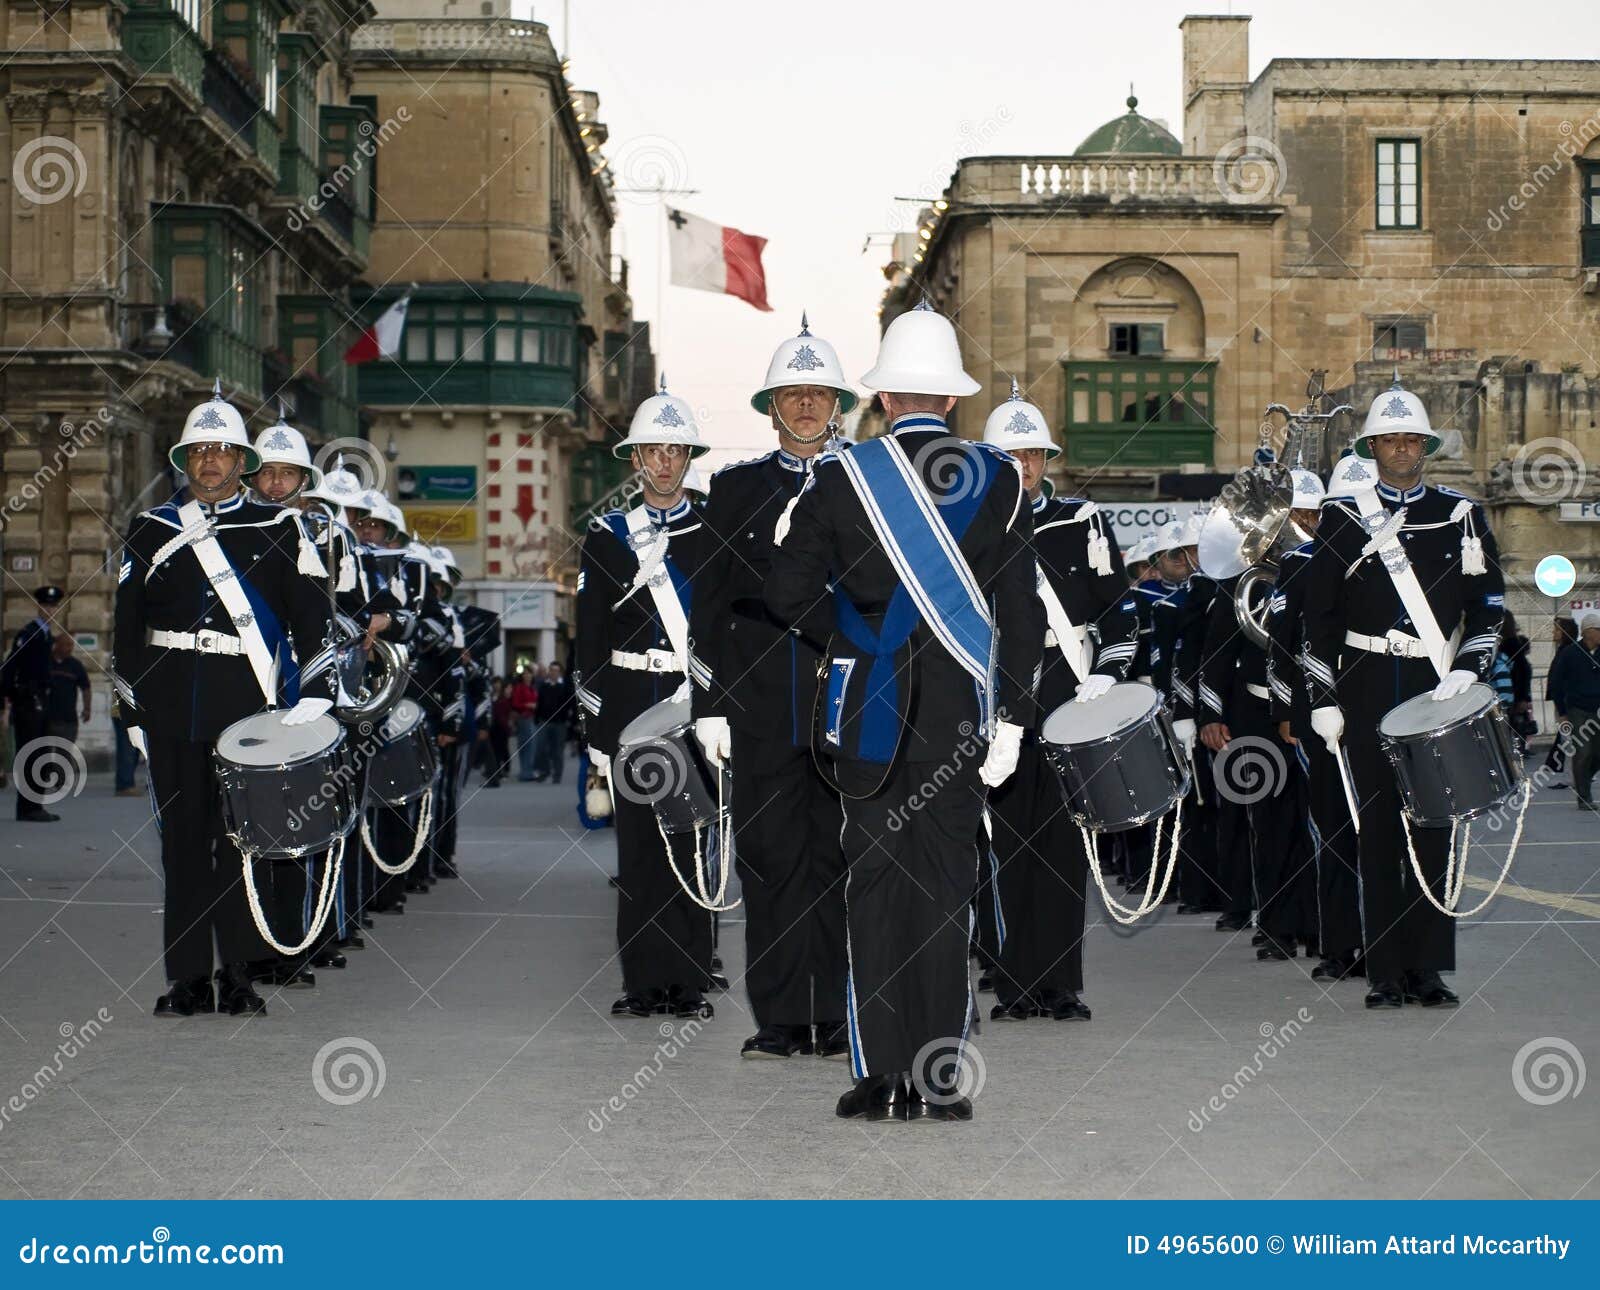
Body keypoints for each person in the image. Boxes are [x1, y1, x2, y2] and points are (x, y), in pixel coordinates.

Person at [766, 302, 1043, 1123]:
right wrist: (1017, 719)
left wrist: (855, 639)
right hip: (961, 719)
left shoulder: (841, 479)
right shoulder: (997, 480)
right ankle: (939, 1079)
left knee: (873, 893)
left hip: (868, 720)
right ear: (952, 401)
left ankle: (879, 1077)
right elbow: (1019, 613)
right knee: (945, 896)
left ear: (883, 398)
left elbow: (783, 594)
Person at [113, 383, 336, 1018]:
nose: (210, 462)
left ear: (244, 461)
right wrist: (132, 711)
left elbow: (312, 621)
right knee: (181, 845)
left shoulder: (279, 527)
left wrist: (315, 699)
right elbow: (127, 629)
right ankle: (188, 979)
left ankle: (238, 974)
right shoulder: (152, 529)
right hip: (171, 709)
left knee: (241, 842)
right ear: (184, 460)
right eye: (199, 451)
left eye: (223, 451)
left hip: (248, 709)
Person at [1303, 378, 1504, 1009]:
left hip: (1435, 683)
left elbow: (1490, 604)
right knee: (1378, 830)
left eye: (1410, 439)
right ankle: (1384, 970)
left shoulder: (1460, 514)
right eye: (1388, 439)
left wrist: (1471, 668)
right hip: (1366, 683)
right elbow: (1318, 618)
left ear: (1426, 446)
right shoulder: (1341, 516)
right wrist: (1322, 696)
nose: (1400, 449)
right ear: (1372, 446)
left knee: (1434, 824)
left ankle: (1428, 968)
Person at [690, 314, 854, 1061]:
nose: (807, 406)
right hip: (759, 696)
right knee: (770, 858)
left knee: (839, 860)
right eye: (793, 393)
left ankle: (836, 1012)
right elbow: (710, 603)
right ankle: (784, 1017)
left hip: (845, 695)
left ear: (838, 404)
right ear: (772, 406)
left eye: (819, 393)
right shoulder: (734, 491)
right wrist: (709, 705)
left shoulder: (865, 482)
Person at [980, 380, 1136, 1023]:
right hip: (1003, 698)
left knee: (1065, 843)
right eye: (1011, 457)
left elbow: (1120, 610)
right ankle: (1014, 982)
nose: (1024, 467)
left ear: (1048, 461)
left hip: (1071, 692)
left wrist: (1108, 671)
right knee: (1006, 843)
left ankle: (1061, 983)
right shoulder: (971, 527)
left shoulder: (1082, 521)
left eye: (1034, 456)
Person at [576, 378, 717, 1021]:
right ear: (634, 459)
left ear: (689, 458)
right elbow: (590, 637)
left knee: (694, 838)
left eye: (676, 450)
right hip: (630, 698)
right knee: (637, 851)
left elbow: (727, 626)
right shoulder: (607, 534)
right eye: (652, 450)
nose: (664, 462)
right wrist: (597, 733)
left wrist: (724, 711)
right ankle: (643, 981)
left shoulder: (714, 527)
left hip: (694, 700)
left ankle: (687, 981)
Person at [1199, 469, 1324, 963]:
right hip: (1255, 716)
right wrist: (1209, 715)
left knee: (1321, 823)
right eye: (1298, 515)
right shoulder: (1243, 582)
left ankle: (1322, 927)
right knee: (1270, 825)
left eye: (1315, 514)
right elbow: (1210, 655)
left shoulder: (1331, 568)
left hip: (1318, 712)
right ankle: (1275, 925)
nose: (1307, 523)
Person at [1270, 459, 1363, 983]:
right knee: (1331, 830)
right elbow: (1285, 642)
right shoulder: (1304, 560)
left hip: (1375, 703)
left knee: (1383, 828)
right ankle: (1339, 944)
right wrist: (1287, 710)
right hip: (1317, 707)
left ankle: (1382, 940)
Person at [1, 585, 65, 822]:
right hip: (28, 703)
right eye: (46, 606)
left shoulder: (45, 634)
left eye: (53, 606)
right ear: (38, 607)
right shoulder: (28, 634)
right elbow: (9, 668)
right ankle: (28, 808)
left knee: (41, 753)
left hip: (41, 702)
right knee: (30, 755)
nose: (50, 610)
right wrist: (5, 701)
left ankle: (35, 805)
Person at [1548, 611, 1600, 809]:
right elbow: (1556, 683)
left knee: (1597, 755)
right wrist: (1562, 712)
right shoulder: (1571, 653)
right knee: (1584, 753)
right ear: (1588, 632)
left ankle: (1583, 780)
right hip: (1578, 709)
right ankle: (1584, 798)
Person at [1545, 616, 1579, 776]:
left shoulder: (1568, 651)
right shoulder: (1563, 650)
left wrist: (1563, 706)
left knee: (1569, 740)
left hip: (1566, 703)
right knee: (1567, 739)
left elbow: (1562, 680)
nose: (1554, 632)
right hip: (1562, 702)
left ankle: (1575, 777)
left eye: (1557, 629)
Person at [46, 630, 91, 746]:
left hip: (68, 720)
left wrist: (87, 709)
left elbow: (86, 687)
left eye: (71, 645)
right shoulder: (46, 663)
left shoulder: (75, 665)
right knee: (44, 755)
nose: (70, 648)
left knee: (64, 756)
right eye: (67, 645)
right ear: (57, 644)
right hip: (47, 719)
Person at [532, 662, 573, 784]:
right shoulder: (544, 686)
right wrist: (536, 717)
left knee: (557, 751)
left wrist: (566, 720)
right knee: (541, 748)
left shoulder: (564, 686)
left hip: (559, 723)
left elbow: (569, 705)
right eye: (551, 670)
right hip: (544, 721)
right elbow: (539, 703)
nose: (553, 673)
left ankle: (557, 775)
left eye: (556, 670)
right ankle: (545, 771)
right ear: (549, 672)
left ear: (559, 672)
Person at [511, 670, 539, 781]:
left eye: (529, 674)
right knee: (527, 745)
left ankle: (527, 771)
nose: (528, 676)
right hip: (525, 718)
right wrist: (527, 705)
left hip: (533, 718)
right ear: (522, 676)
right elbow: (515, 703)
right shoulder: (520, 687)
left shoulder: (532, 687)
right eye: (525, 674)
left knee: (530, 745)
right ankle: (526, 772)